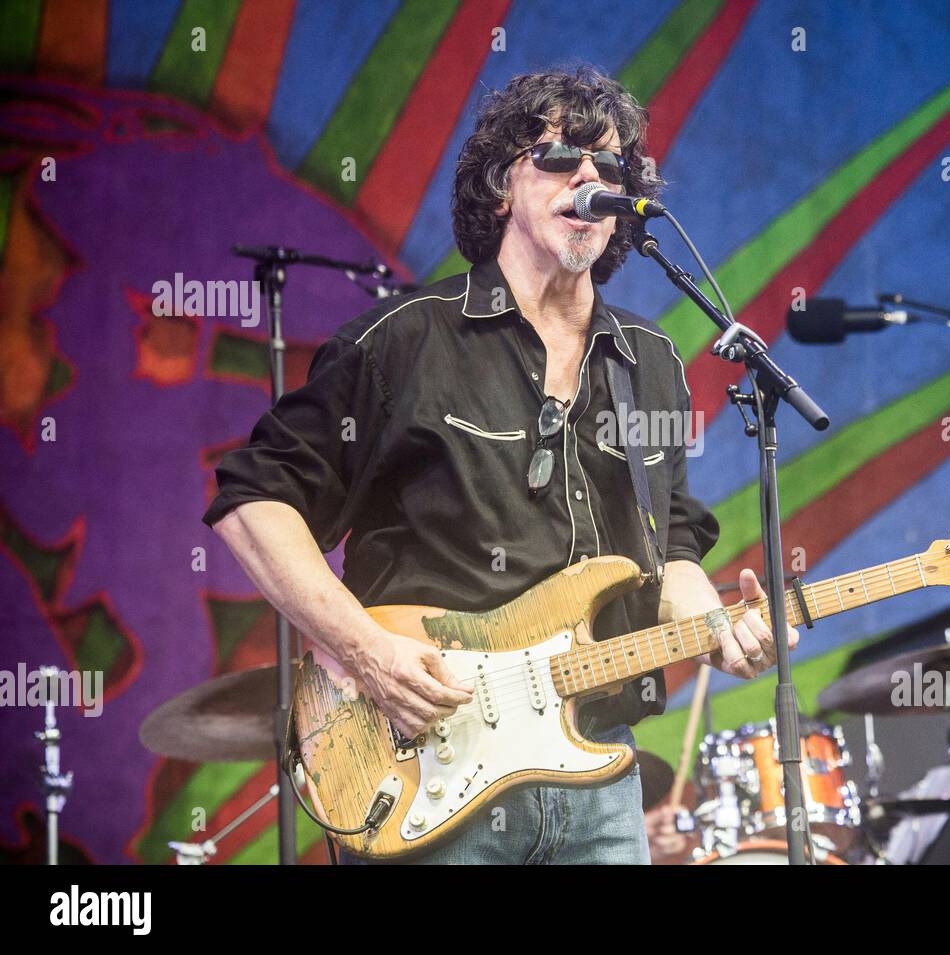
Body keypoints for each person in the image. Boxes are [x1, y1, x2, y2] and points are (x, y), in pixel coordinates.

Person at [203, 66, 797, 865]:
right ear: (497, 189)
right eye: (559, 157)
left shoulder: (649, 360)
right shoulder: (406, 340)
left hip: (598, 766)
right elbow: (253, 497)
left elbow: (672, 548)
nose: (591, 176)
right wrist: (362, 649)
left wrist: (720, 629)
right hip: (428, 767)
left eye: (610, 165)